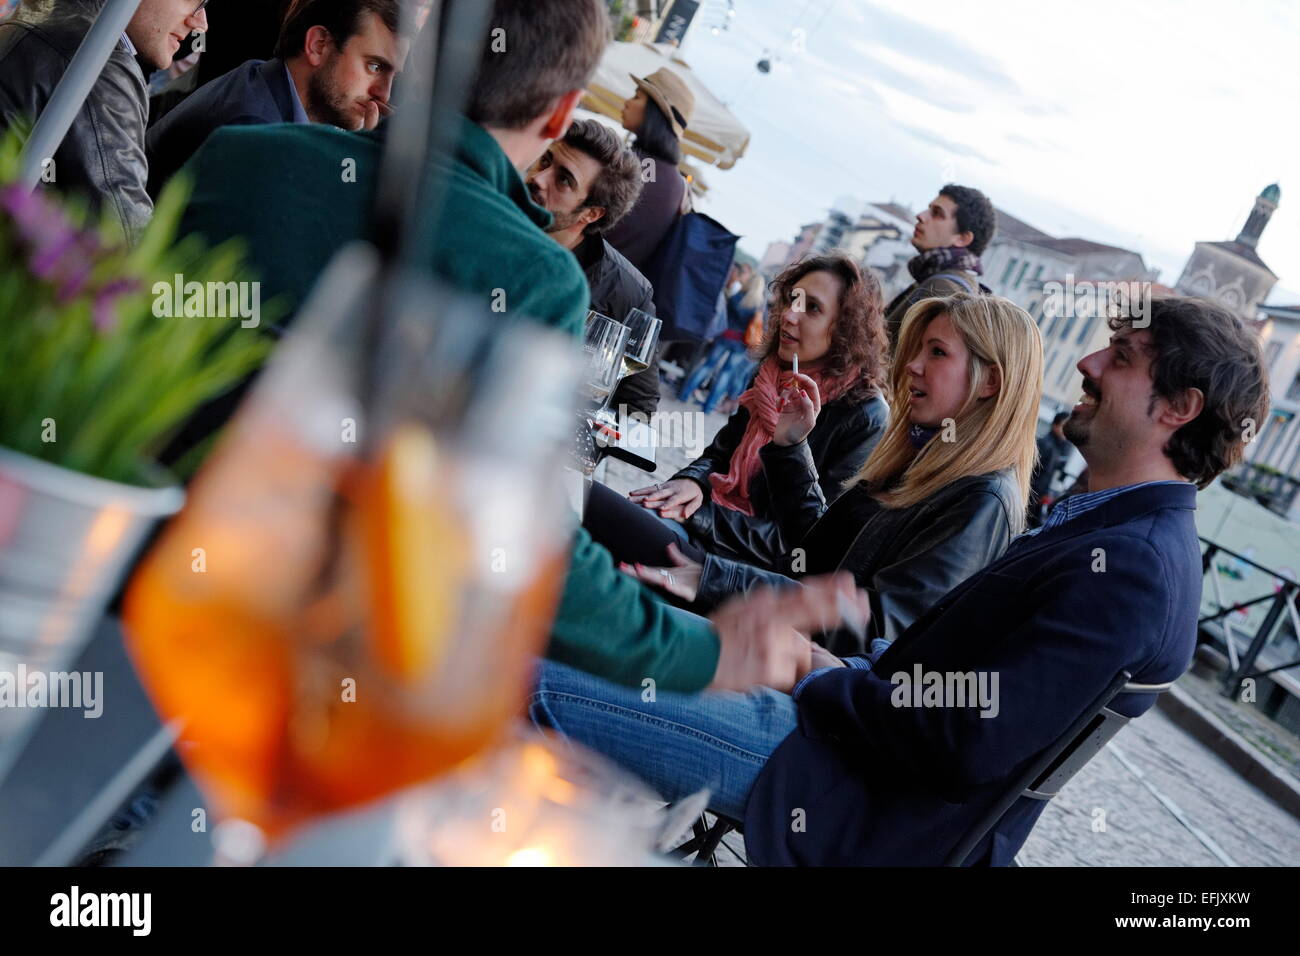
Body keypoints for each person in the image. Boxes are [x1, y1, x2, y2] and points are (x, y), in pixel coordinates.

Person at [172, 0, 828, 697]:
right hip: (293, 667)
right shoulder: (534, 275)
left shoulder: (243, 155)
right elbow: (518, 541)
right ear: (557, 117)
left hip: (125, 571)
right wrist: (697, 651)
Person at [531, 294, 1269, 866]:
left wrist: (824, 678)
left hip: (849, 783)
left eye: (1124, 355)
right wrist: (834, 665)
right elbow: (919, 652)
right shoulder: (1114, 531)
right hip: (843, 736)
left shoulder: (1132, 563)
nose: (1090, 364)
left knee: (536, 672)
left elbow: (966, 739)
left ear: (1177, 408)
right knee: (577, 630)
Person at [625, 293, 1040, 660]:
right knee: (600, 518)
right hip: (767, 615)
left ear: (990, 381)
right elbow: (814, 554)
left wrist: (717, 578)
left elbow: (877, 632)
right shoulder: (923, 457)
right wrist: (789, 446)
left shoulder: (981, 497)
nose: (912, 365)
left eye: (936, 352)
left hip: (788, 663)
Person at [596, 254, 889, 569]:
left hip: (751, 570)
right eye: (792, 300)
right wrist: (694, 482)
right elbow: (721, 453)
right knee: (594, 513)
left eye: (812, 308)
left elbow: (810, 537)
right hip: (710, 526)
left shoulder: (865, 414)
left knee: (599, 519)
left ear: (848, 327)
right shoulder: (771, 373)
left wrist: (702, 516)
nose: (790, 315)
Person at [145, 0, 413, 198]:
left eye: (393, 76)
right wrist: (358, 164)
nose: (384, 94)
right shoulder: (252, 126)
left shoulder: (264, 84)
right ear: (318, 45)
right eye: (374, 67)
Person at [0, 0, 210, 244]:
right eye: (193, 1)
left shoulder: (43, 15)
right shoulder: (95, 61)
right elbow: (126, 241)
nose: (200, 23)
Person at [524, 118, 661, 418]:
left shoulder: (627, 292)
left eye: (564, 179)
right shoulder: (489, 220)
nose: (538, 178)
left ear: (591, 213)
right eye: (545, 160)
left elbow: (638, 406)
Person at [602, 66, 693, 274]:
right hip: (614, 295)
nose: (627, 102)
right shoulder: (680, 187)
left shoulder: (633, 164)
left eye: (637, 97)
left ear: (654, 112)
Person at [883, 184, 996, 350]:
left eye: (937, 214)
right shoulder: (937, 278)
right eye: (928, 209)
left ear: (963, 238)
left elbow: (900, 364)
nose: (920, 216)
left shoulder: (943, 290)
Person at [678, 263, 764, 415]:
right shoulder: (758, 305)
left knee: (708, 365)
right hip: (741, 343)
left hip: (725, 336)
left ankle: (684, 394)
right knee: (726, 373)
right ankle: (708, 407)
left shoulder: (738, 296)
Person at [1028, 410, 1072, 526]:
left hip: (1038, 494)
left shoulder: (1058, 446)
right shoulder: (1046, 445)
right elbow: (1034, 471)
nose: (1066, 430)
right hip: (1032, 493)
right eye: (1064, 426)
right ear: (1055, 425)